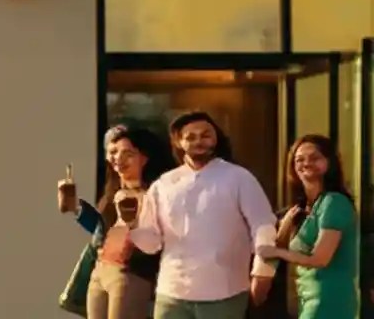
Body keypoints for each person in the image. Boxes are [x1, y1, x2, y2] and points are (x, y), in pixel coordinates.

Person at [125, 111, 278, 318]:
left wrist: (263, 272)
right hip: (172, 293)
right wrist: (131, 222)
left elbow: (263, 225)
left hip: (226, 292)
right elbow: (151, 244)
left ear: (216, 138)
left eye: (205, 135)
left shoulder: (239, 177)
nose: (199, 141)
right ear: (179, 142)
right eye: (190, 137)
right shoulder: (164, 184)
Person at [59, 124, 175, 319]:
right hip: (101, 269)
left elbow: (157, 241)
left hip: (129, 273)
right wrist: (76, 207)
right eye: (113, 152)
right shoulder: (113, 193)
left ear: (145, 158)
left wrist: (133, 221)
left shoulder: (156, 194)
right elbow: (101, 231)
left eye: (128, 154)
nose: (118, 159)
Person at [255, 134, 358, 319]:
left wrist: (276, 252)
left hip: (330, 300)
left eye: (315, 157)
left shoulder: (334, 202)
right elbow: (279, 249)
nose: (306, 163)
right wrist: (285, 228)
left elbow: (320, 259)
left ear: (330, 162)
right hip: (306, 299)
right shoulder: (303, 209)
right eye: (299, 159)